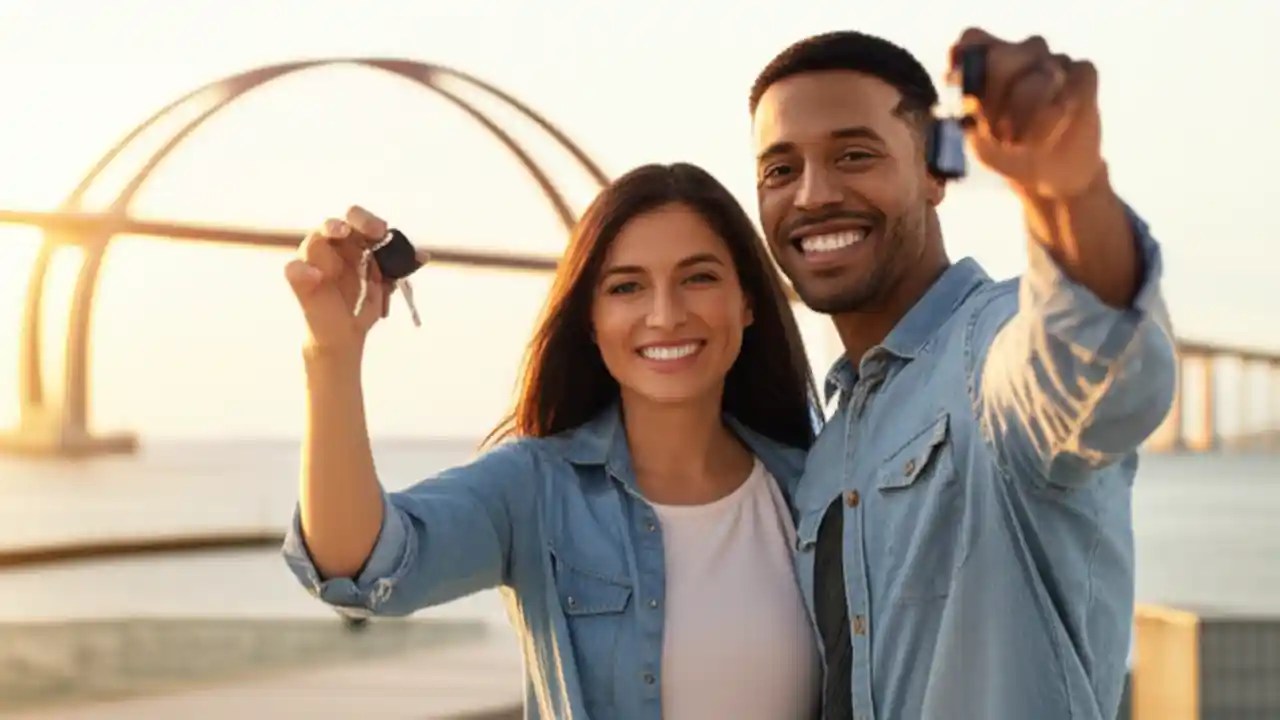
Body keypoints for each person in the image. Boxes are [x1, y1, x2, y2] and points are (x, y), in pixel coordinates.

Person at [279, 162, 825, 719]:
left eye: (699, 277)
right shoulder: (535, 488)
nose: (665, 315)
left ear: (748, 301)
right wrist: (331, 352)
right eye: (627, 286)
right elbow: (360, 563)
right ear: (591, 319)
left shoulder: (815, 491)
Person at [747, 28, 1177, 720]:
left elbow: (1104, 373)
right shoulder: (824, 458)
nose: (812, 195)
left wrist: (1067, 189)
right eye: (779, 170)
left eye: (854, 155)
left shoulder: (992, 345)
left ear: (932, 171)